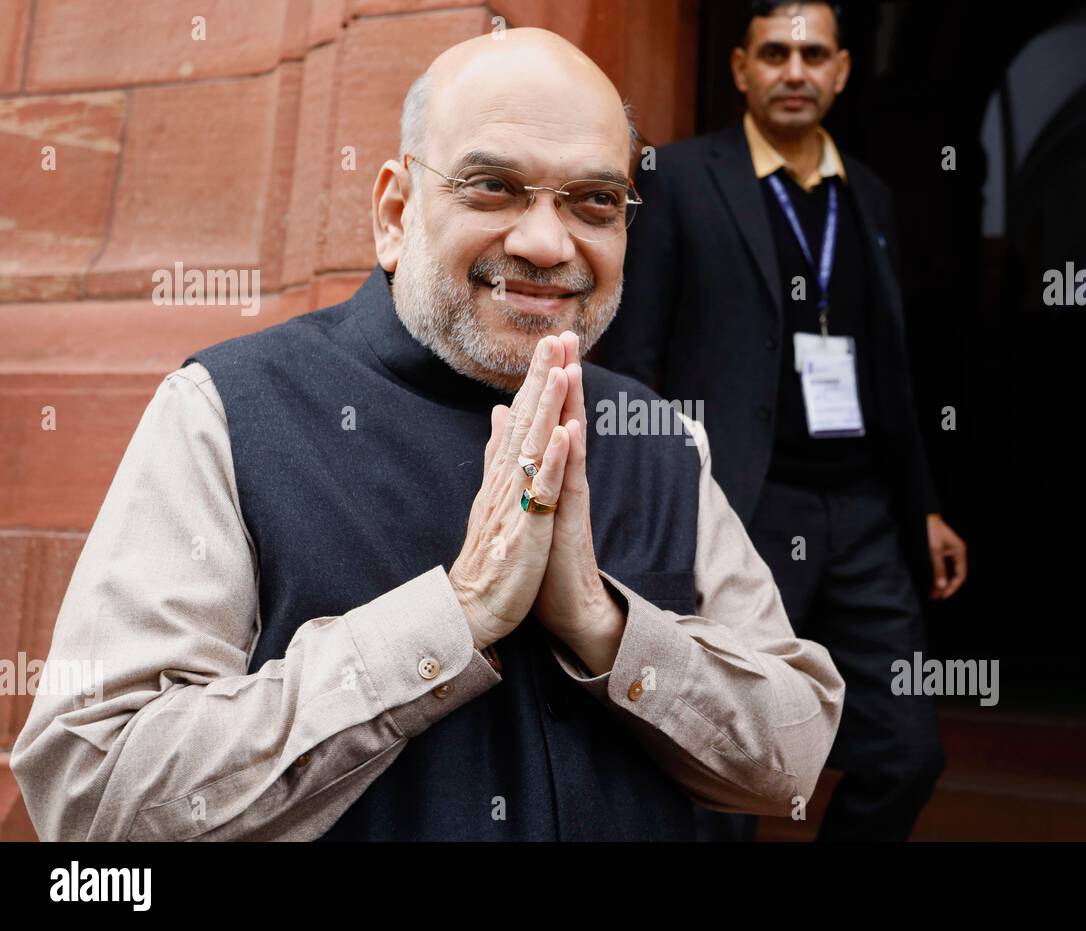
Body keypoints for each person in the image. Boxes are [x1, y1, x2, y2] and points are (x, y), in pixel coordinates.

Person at [11, 28, 845, 842]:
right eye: (493, 187)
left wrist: (605, 626)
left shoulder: (661, 439)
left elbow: (796, 749)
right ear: (395, 211)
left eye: (594, 201)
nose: (548, 243)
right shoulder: (226, 410)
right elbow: (93, 795)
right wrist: (457, 616)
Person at [601, 0, 967, 841]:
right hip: (743, 504)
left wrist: (925, 505)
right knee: (726, 759)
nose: (794, 71)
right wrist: (642, 500)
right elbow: (631, 358)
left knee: (906, 753)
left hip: (867, 515)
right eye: (774, 53)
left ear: (840, 71)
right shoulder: (682, 177)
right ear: (740, 69)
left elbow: (889, 367)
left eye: (812, 54)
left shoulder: (868, 196)